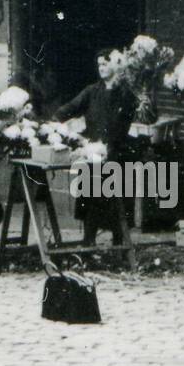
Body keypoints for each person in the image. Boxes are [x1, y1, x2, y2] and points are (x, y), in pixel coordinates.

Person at [53, 49, 137, 246]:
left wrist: (109, 146)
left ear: (117, 65)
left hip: (116, 154)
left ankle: (119, 245)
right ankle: (88, 242)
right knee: (90, 199)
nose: (102, 68)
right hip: (93, 154)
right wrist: (56, 121)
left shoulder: (126, 95)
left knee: (115, 203)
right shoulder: (92, 92)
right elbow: (70, 108)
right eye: (99, 65)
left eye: (106, 64)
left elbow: (121, 123)